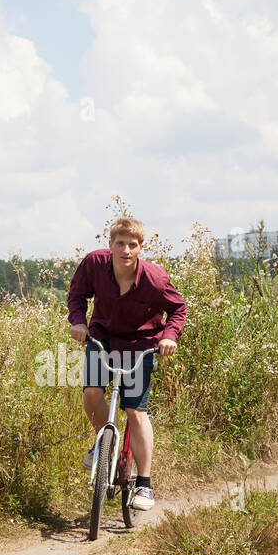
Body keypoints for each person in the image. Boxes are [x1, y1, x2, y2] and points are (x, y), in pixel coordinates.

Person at [66, 216, 187, 511]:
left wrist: (169, 336)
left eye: (132, 245)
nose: (126, 250)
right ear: (110, 244)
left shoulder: (155, 279)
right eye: (120, 243)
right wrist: (79, 323)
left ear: (141, 248)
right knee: (91, 392)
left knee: (135, 410)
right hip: (102, 338)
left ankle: (144, 484)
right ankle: (102, 443)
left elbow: (178, 309)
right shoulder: (94, 264)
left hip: (140, 344)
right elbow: (77, 296)